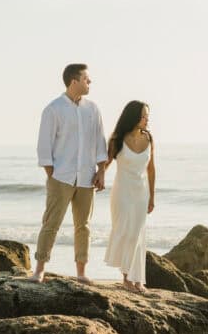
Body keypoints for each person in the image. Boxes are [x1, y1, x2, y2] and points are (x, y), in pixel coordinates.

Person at [32, 63, 108, 282]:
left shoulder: (93, 109)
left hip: (87, 177)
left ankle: (81, 273)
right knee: (51, 223)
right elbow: (44, 147)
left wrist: (101, 170)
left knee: (83, 227)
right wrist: (52, 174)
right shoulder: (53, 109)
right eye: (86, 79)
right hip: (61, 177)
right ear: (74, 81)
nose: (89, 82)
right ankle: (39, 269)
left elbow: (100, 142)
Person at [103, 100, 155, 292]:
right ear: (133, 117)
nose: (147, 119)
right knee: (125, 230)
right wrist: (98, 178)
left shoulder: (149, 138)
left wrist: (152, 197)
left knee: (138, 233)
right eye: (143, 116)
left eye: (148, 116)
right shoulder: (117, 138)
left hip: (141, 193)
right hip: (122, 192)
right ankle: (127, 279)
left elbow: (151, 169)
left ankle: (138, 279)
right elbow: (106, 164)